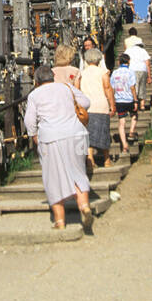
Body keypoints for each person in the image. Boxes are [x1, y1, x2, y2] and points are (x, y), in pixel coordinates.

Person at [24, 65, 95, 234]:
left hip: (51, 137)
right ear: (53, 76)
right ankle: (84, 206)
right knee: (78, 172)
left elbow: (29, 120)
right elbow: (86, 102)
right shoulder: (66, 87)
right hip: (76, 133)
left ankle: (60, 220)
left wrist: (34, 135)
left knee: (53, 178)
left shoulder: (34, 95)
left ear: (37, 80)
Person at [79, 48, 115, 169]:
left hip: (87, 106)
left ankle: (90, 160)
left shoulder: (82, 73)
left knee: (88, 133)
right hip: (101, 104)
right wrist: (112, 105)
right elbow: (107, 88)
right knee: (104, 131)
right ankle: (107, 160)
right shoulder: (102, 73)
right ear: (99, 58)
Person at [109, 54, 137, 153]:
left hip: (119, 100)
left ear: (119, 62)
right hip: (129, 99)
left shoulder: (115, 73)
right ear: (128, 62)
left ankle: (124, 144)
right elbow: (132, 87)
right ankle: (131, 131)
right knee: (134, 115)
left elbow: (111, 88)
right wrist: (135, 100)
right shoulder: (130, 72)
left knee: (121, 123)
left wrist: (112, 101)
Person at [123, 30, 150, 119]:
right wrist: (149, 76)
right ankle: (142, 105)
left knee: (134, 87)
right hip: (143, 69)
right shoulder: (143, 51)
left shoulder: (128, 50)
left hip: (132, 69)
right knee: (142, 86)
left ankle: (134, 104)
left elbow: (125, 60)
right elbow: (147, 63)